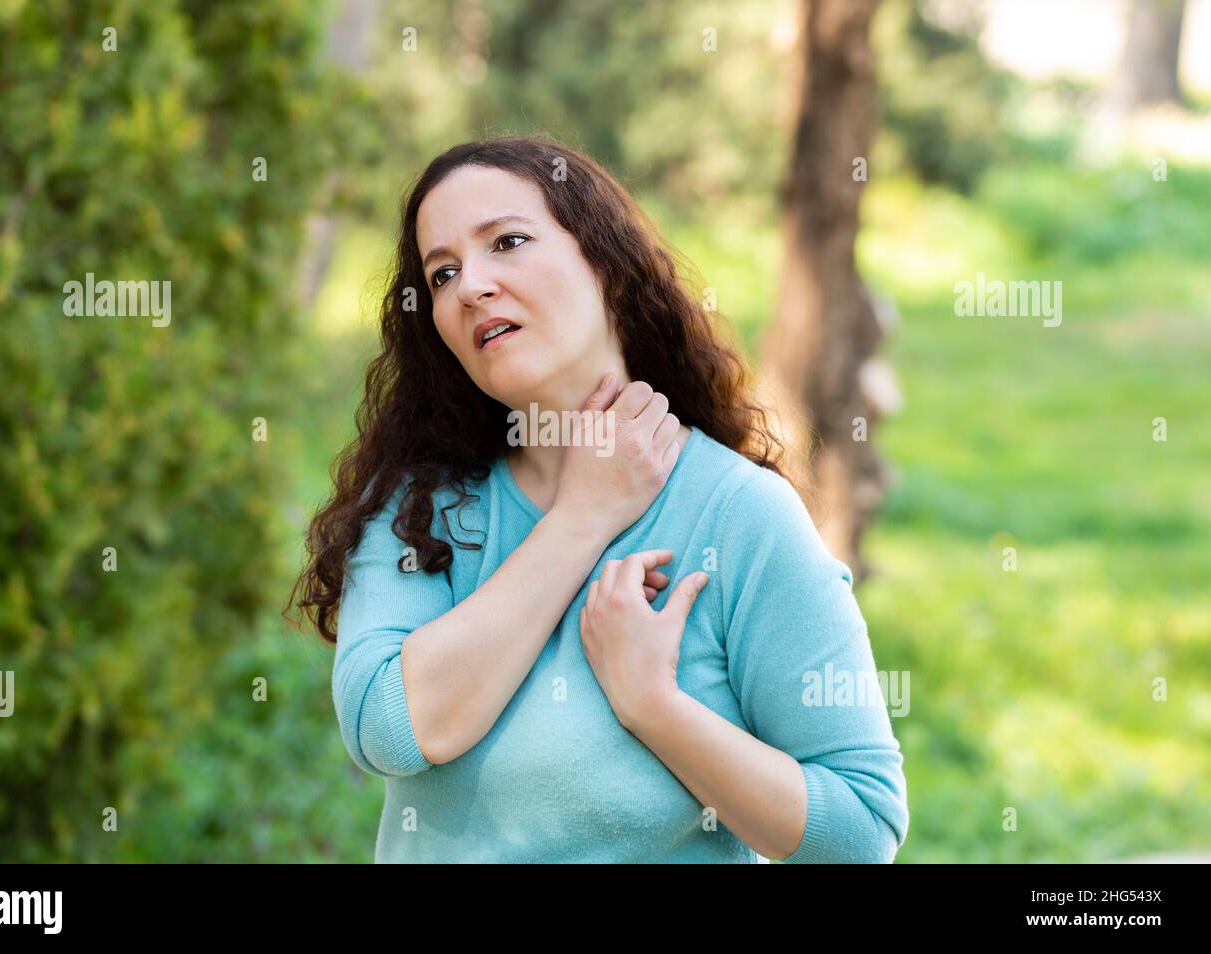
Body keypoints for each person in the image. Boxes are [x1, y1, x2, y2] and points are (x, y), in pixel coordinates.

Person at [286, 135, 908, 863]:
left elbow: (859, 831)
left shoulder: (738, 514)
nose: (471, 287)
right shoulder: (421, 506)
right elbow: (389, 729)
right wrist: (584, 518)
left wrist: (656, 707)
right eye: (443, 272)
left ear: (606, 265)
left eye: (508, 242)